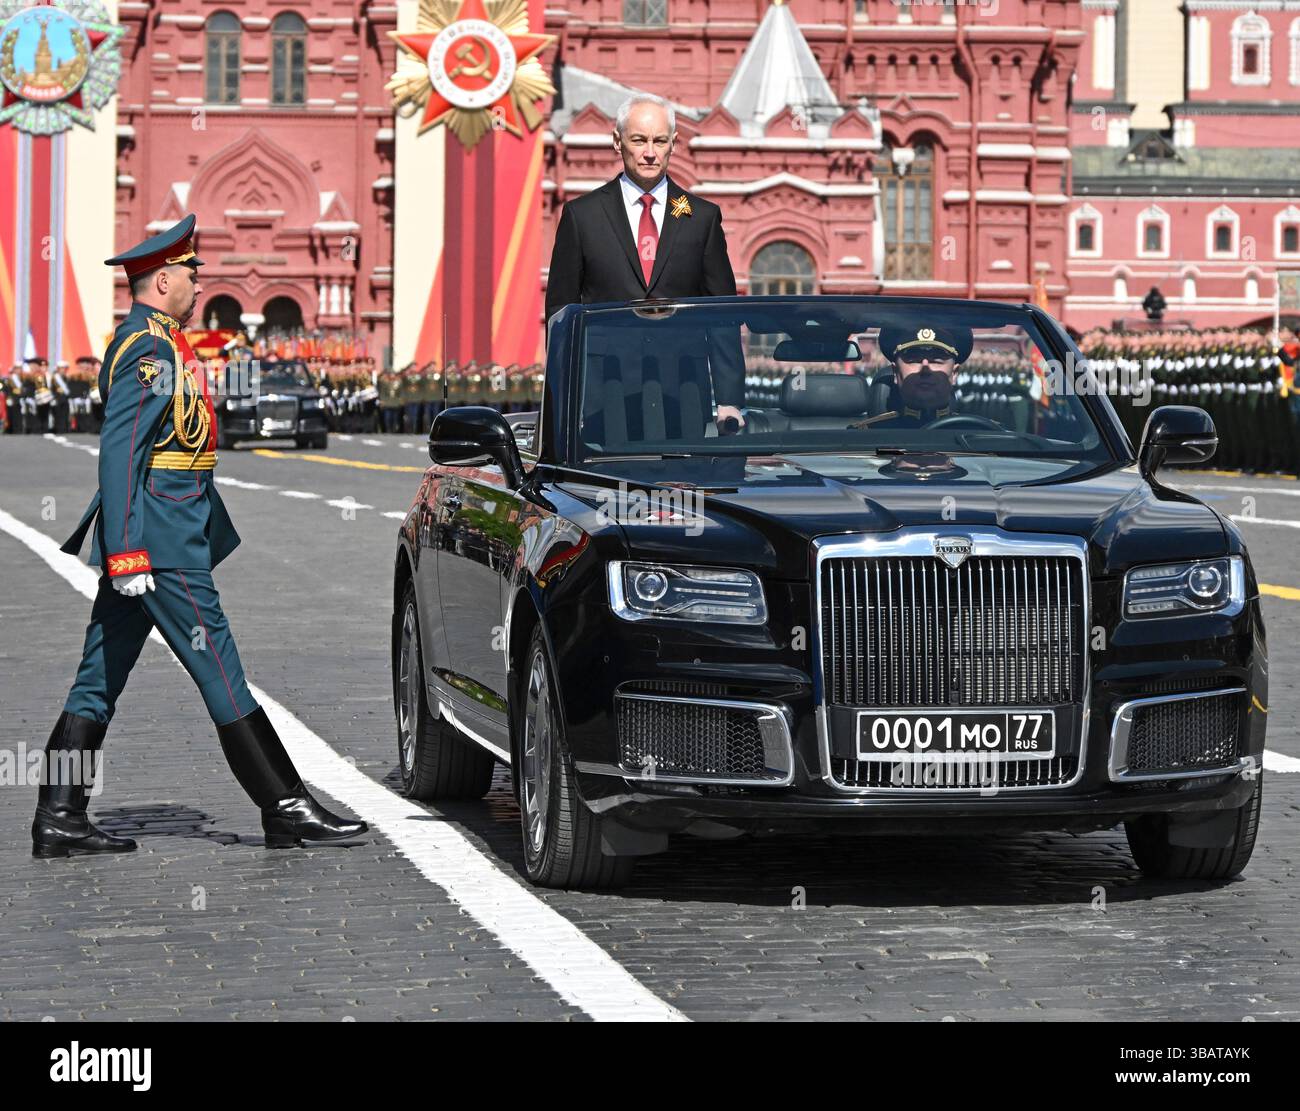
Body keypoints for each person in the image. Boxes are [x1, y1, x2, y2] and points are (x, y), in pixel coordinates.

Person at [35, 214, 368, 858]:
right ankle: (286, 805)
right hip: (160, 540)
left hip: (167, 525)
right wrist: (129, 548)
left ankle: (59, 814)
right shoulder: (149, 350)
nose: (198, 283)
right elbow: (122, 450)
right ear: (163, 280)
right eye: (191, 273)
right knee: (221, 668)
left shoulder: (161, 341)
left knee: (98, 677)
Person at [545, 92, 745, 428]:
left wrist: (730, 400)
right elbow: (561, 315)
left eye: (659, 141)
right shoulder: (583, 216)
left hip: (684, 393)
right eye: (639, 140)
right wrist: (562, 398)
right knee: (606, 483)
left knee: (680, 482)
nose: (650, 153)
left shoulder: (702, 218)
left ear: (673, 144)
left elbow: (721, 316)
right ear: (617, 142)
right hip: (602, 395)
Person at [853, 322, 975, 429]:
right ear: (895, 372)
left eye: (936, 361)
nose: (925, 369)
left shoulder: (981, 433)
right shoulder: (865, 437)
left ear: (954, 374)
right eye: (913, 360)